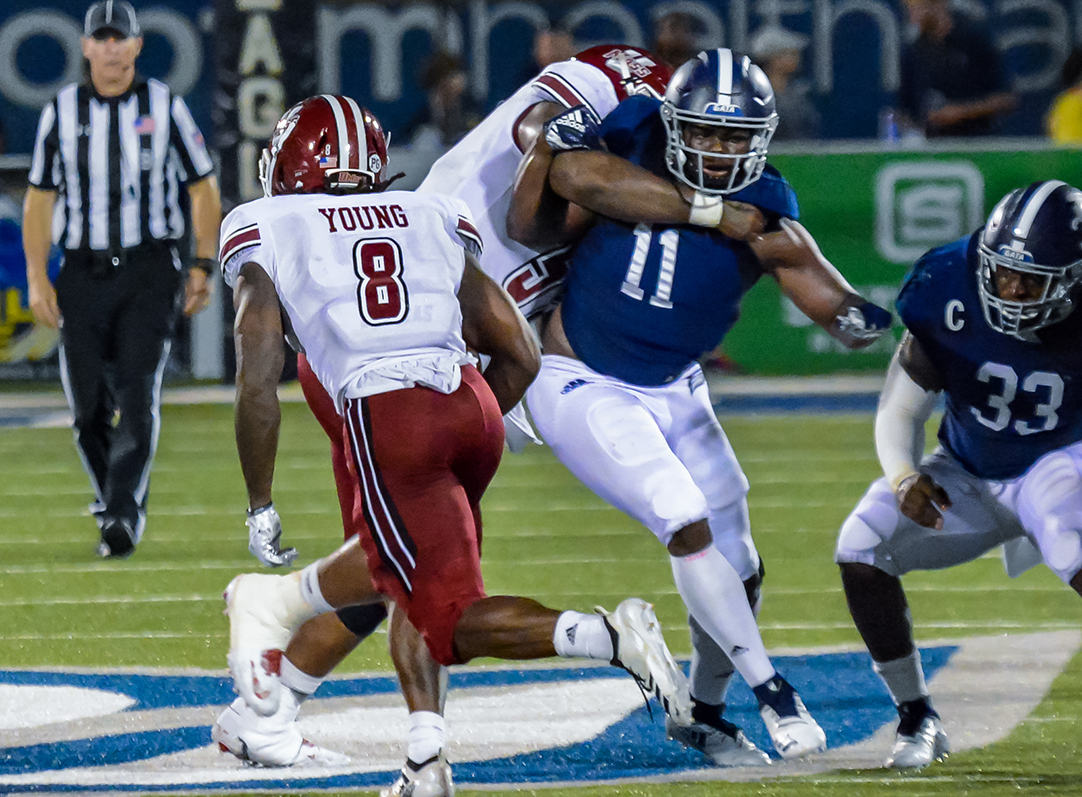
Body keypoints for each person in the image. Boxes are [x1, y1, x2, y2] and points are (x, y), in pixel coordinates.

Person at [212, 45, 769, 771]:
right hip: (409, 344)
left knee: (410, 557)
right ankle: (311, 648)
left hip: (439, 347)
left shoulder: (402, 211)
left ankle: (286, 701)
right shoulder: (587, 114)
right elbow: (542, 164)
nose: (711, 152)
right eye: (703, 135)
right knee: (419, 563)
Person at [506, 49, 894, 763]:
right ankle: (773, 688)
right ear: (675, 124)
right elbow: (573, 175)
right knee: (682, 517)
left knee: (741, 565)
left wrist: (860, 318)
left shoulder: (768, 205)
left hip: (677, 387)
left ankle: (706, 712)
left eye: (736, 137)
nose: (720, 150)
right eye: (707, 134)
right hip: (580, 378)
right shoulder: (637, 138)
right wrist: (714, 214)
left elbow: (818, 284)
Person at [834, 180, 1082, 770]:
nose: (1014, 288)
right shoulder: (946, 281)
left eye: (1032, 278)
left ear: (1078, 276)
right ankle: (916, 719)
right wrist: (904, 478)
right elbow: (902, 405)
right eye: (1003, 272)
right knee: (859, 546)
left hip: (1054, 460)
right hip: (964, 468)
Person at [22, 0, 218, 559]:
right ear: (85, 47)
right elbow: (39, 199)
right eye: (100, 38)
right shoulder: (60, 112)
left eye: (119, 38)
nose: (110, 48)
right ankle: (118, 496)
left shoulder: (166, 106)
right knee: (86, 409)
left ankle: (123, 513)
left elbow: (202, 187)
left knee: (137, 392)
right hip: (82, 271)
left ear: (136, 45)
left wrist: (202, 263)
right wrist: (38, 276)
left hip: (150, 268)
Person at [898, 0, 1016, 137]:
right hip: (932, 149)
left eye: (918, 8)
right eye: (909, 9)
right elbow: (906, 109)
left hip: (979, 143)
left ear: (940, 5)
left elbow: (1006, 99)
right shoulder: (913, 52)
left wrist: (960, 112)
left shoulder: (976, 40)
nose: (913, 15)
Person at [750, 26, 820, 141]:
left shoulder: (799, 93)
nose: (797, 58)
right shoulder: (755, 96)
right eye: (790, 54)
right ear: (773, 59)